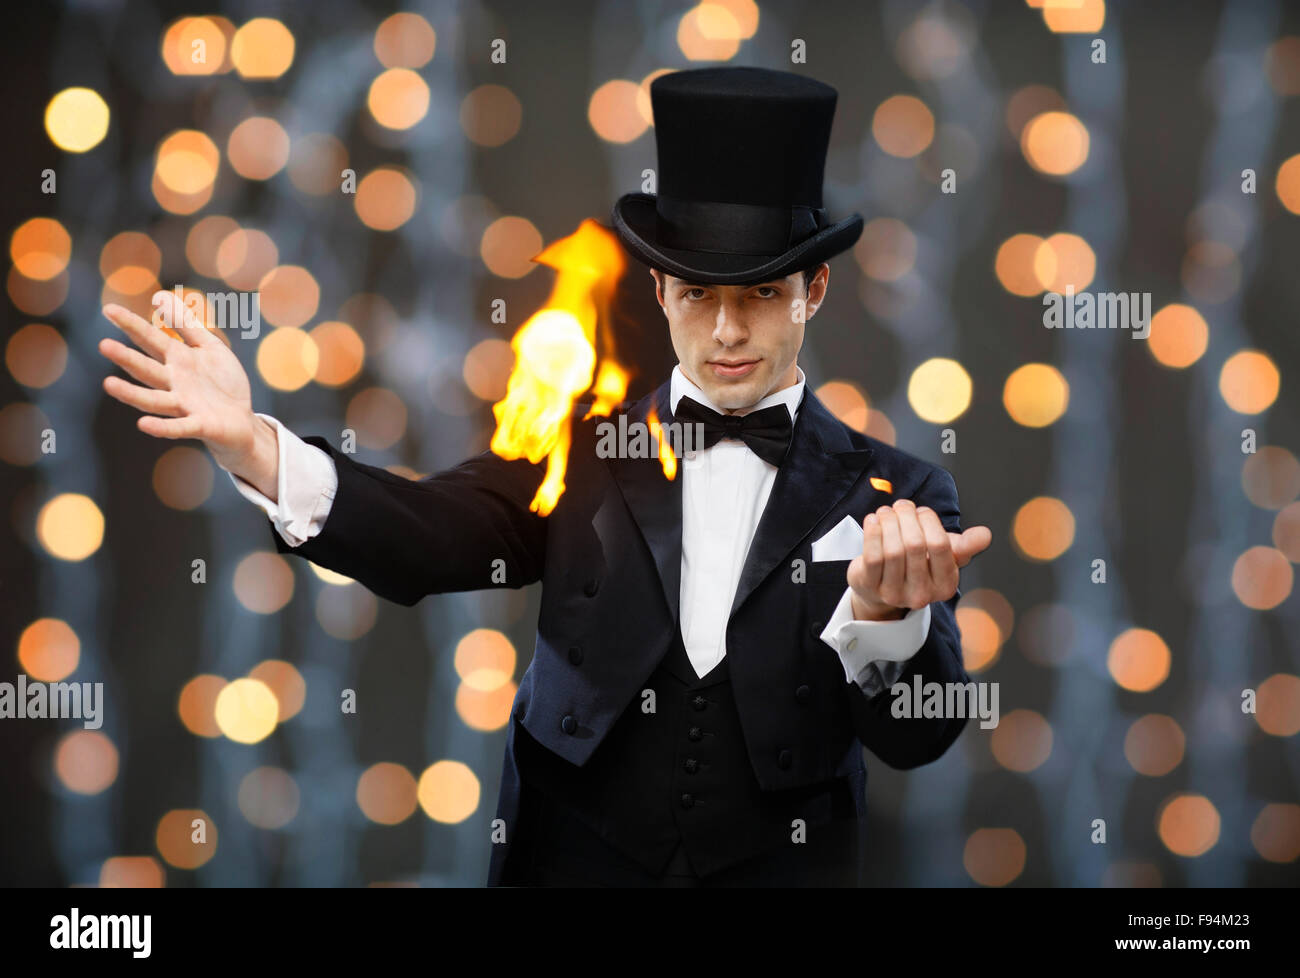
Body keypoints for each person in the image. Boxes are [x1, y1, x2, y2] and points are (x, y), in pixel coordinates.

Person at [98, 66, 992, 886]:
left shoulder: (896, 494)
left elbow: (918, 738)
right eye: (698, 295)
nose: (726, 332)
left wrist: (887, 621)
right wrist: (257, 445)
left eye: (760, 294)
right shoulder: (585, 452)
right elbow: (432, 533)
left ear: (815, 291)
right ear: (658, 293)